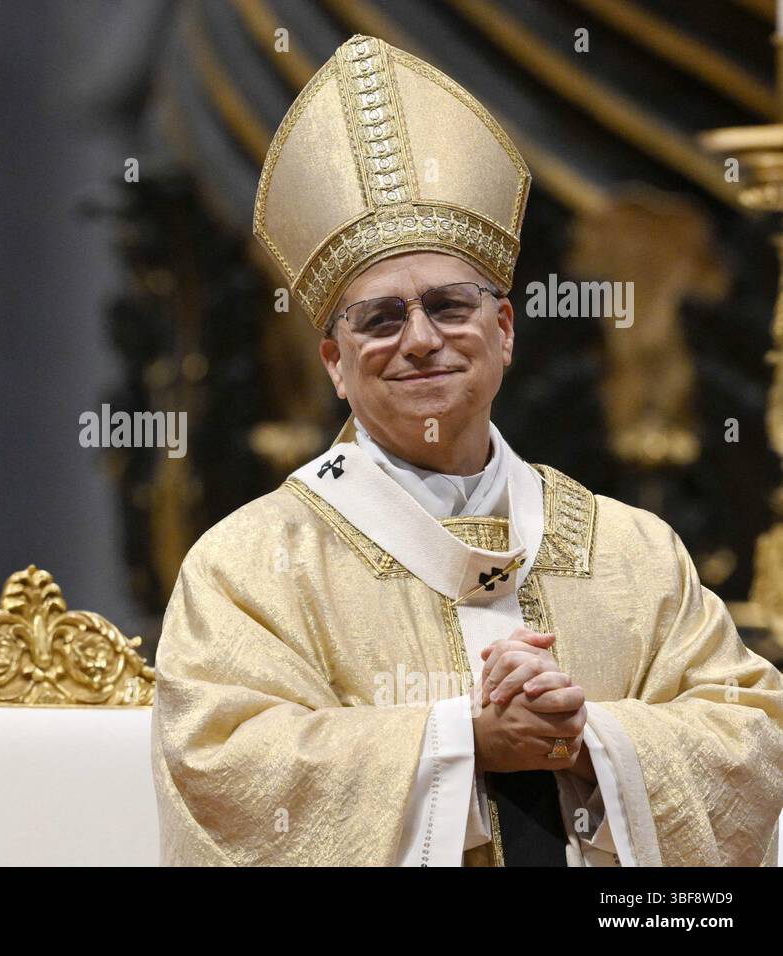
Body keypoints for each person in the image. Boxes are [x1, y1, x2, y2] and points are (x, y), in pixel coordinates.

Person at [151, 35, 783, 866]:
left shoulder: (632, 552)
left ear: (505, 330)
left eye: (450, 306)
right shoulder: (251, 566)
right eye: (379, 319)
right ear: (334, 363)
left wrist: (588, 739)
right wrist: (465, 742)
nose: (420, 340)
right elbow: (225, 768)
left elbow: (750, 733)